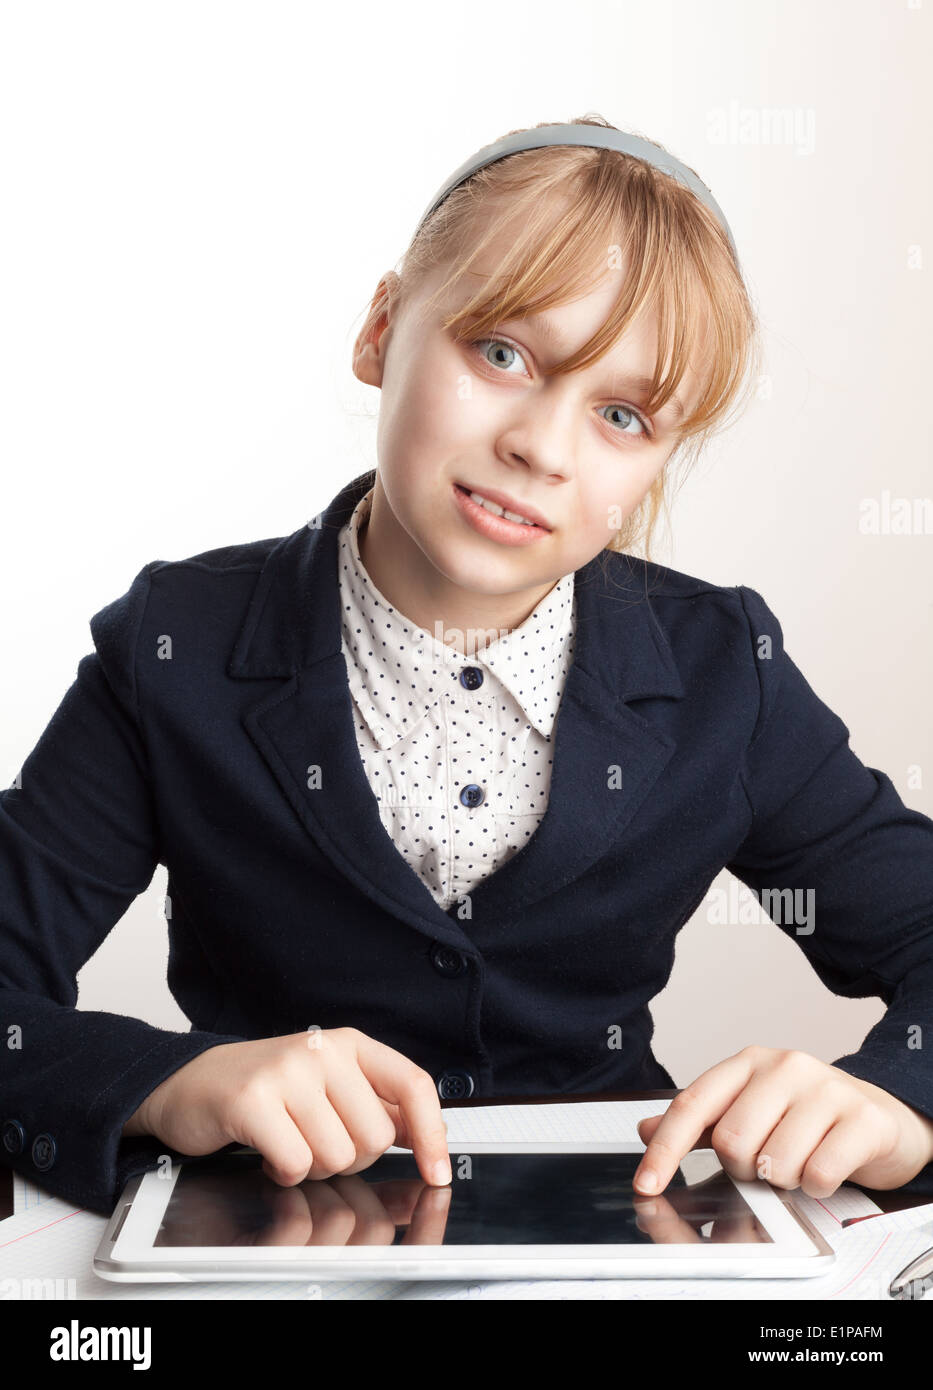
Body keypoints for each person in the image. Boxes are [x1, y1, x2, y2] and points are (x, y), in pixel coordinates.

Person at [2, 115, 932, 1220]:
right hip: (271, 1240)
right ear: (383, 329)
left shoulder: (725, 668)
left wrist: (896, 1095)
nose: (542, 445)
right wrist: (169, 1080)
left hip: (614, 1246)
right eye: (502, 354)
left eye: (622, 415)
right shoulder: (176, 643)